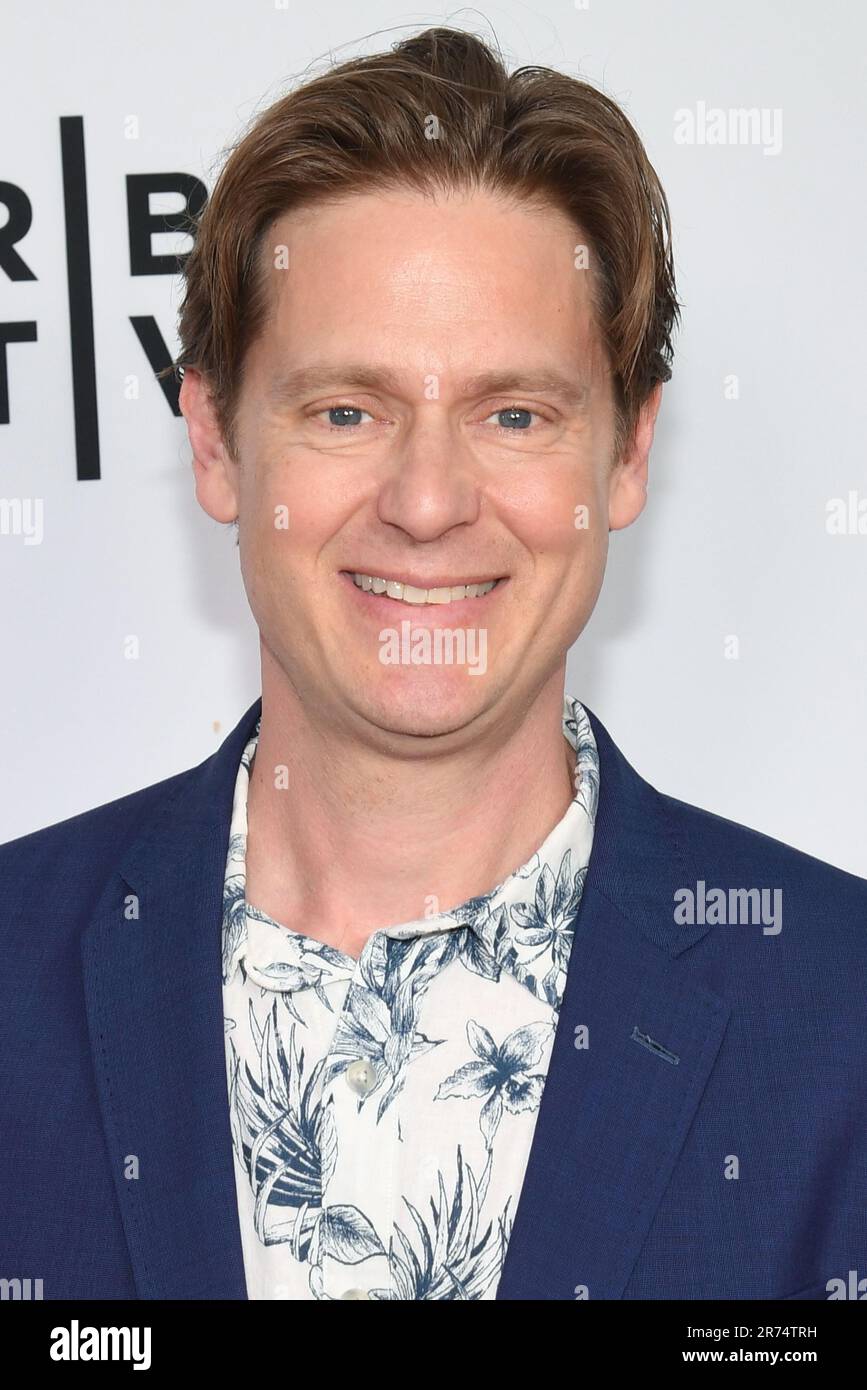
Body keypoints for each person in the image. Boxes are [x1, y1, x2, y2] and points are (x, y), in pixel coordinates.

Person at [1, 26, 864, 1302]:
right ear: (216, 443)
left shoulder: (840, 1014)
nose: (426, 499)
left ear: (627, 456)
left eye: (514, 414)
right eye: (346, 411)